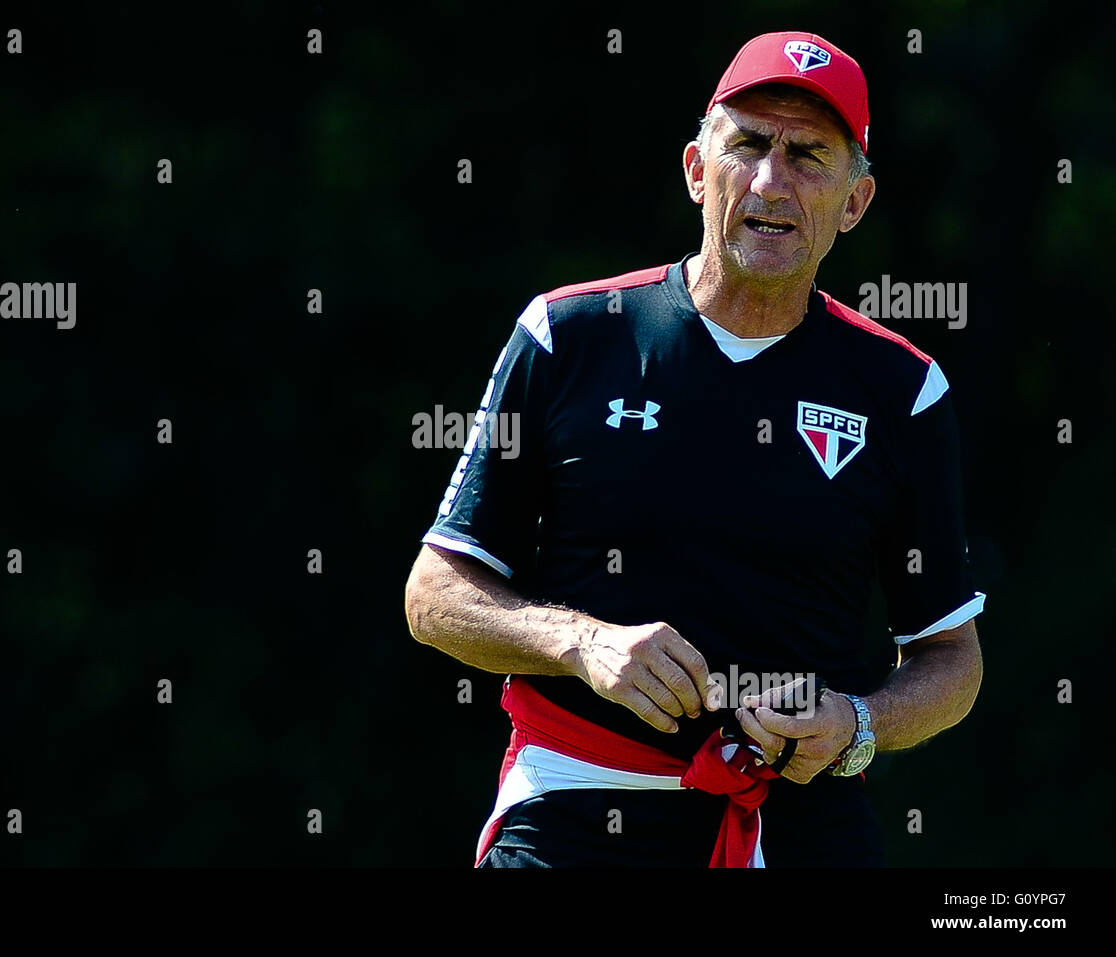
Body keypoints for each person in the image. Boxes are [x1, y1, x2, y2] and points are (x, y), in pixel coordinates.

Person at [403, 31, 984, 867]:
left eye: (810, 154)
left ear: (854, 203)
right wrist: (581, 641)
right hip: (575, 810)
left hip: (802, 826)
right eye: (749, 143)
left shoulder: (904, 389)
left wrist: (856, 725)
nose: (771, 180)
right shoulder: (567, 336)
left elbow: (951, 659)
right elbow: (434, 593)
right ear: (695, 169)